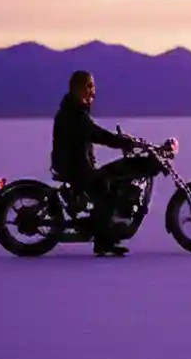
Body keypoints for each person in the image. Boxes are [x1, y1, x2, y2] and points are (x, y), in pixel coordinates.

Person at [51, 70, 137, 256]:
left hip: (78, 165)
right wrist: (121, 141)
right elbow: (96, 134)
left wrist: (121, 140)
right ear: (76, 89)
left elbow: (92, 134)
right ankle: (103, 240)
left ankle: (104, 231)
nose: (93, 91)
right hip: (74, 167)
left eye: (93, 86)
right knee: (105, 187)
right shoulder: (73, 115)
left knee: (111, 180)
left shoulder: (75, 111)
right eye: (88, 86)